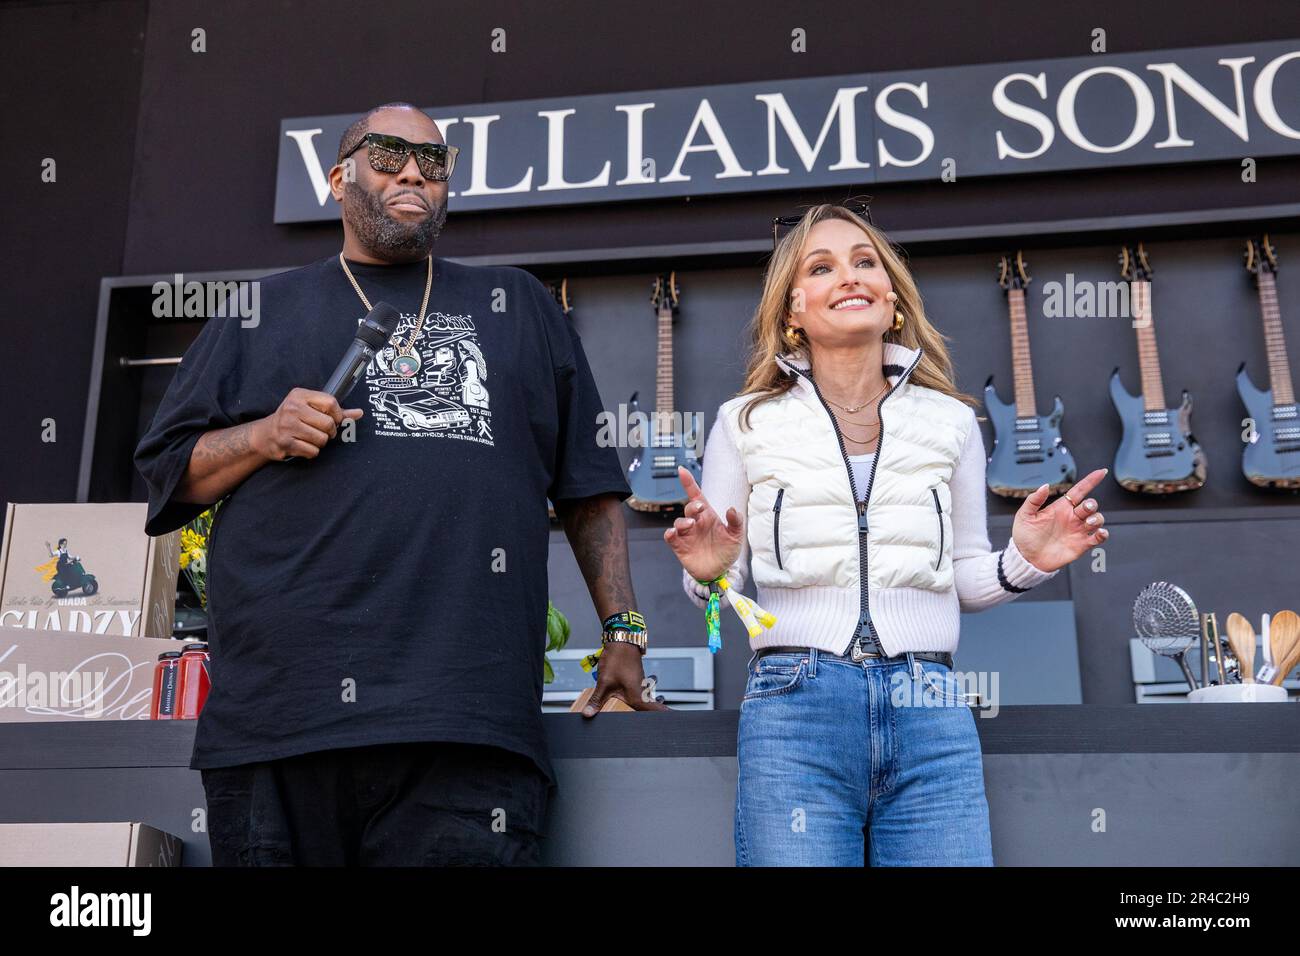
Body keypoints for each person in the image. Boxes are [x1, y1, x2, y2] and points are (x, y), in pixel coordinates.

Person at [135, 102, 665, 867]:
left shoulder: (518, 306)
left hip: (465, 722)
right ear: (337, 178)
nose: (414, 170)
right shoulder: (257, 312)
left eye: (434, 160)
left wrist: (623, 634)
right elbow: (168, 472)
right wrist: (262, 435)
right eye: (387, 154)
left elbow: (588, 488)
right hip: (282, 724)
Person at [665, 203, 1108, 866]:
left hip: (930, 705)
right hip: (794, 709)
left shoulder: (952, 423)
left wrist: (1027, 561)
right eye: (823, 266)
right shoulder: (744, 422)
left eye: (865, 262)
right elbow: (720, 599)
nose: (850, 277)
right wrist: (709, 575)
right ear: (793, 309)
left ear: (892, 298)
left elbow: (962, 576)